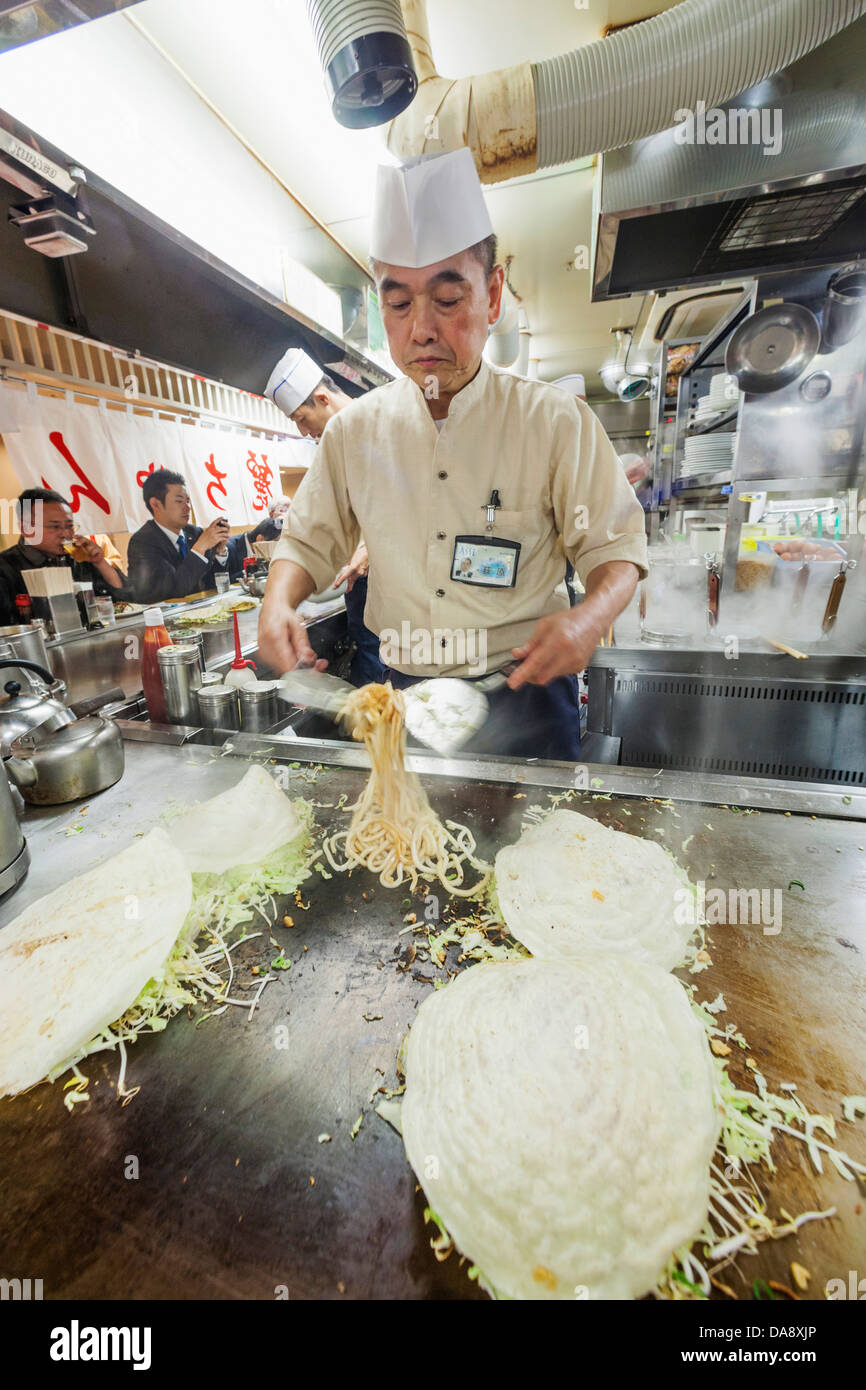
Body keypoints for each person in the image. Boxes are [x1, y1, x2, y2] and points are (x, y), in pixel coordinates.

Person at [258, 149, 647, 759]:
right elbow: (308, 542)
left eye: (446, 299)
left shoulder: (555, 421)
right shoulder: (354, 433)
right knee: (404, 852)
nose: (421, 330)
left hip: (526, 698)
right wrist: (278, 599)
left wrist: (589, 618)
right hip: (402, 700)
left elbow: (616, 552)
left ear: (492, 296)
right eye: (398, 304)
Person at [265, 349, 384, 685]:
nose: (303, 431)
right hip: (362, 591)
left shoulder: (385, 419)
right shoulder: (335, 446)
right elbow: (310, 534)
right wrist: (277, 601)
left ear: (322, 398)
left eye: (302, 418)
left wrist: (369, 548)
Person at [0, 487, 126, 625]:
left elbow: (125, 599)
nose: (66, 534)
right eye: (55, 527)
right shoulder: (6, 568)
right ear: (26, 529)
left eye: (69, 526)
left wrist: (100, 563)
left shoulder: (79, 557)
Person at [126, 470, 231, 603]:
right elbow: (174, 590)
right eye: (179, 501)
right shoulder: (142, 543)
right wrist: (200, 547)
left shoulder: (195, 533)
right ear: (155, 504)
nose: (187, 508)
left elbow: (211, 582)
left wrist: (220, 551)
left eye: (187, 501)